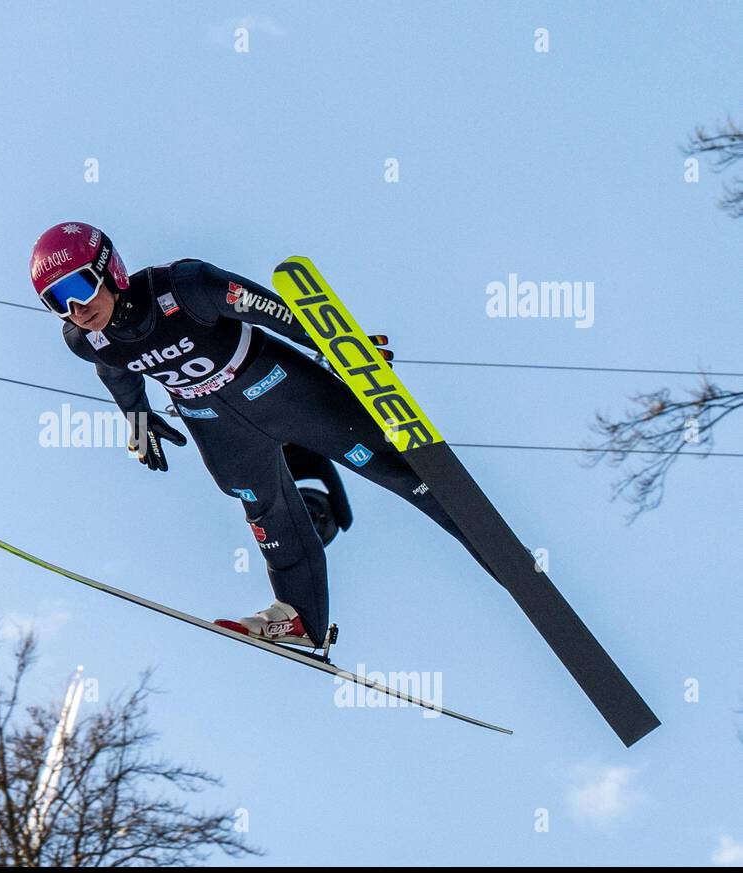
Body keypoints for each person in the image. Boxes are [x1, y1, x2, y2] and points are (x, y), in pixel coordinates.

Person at [29, 221, 494, 649]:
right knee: (264, 510)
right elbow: (115, 371)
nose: (76, 308)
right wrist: (137, 415)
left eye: (79, 287)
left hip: (280, 388)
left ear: (112, 270)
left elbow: (277, 312)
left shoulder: (186, 286)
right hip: (215, 423)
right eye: (56, 300)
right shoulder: (83, 339)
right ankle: (300, 620)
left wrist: (340, 345)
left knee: (391, 469)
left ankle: (494, 549)